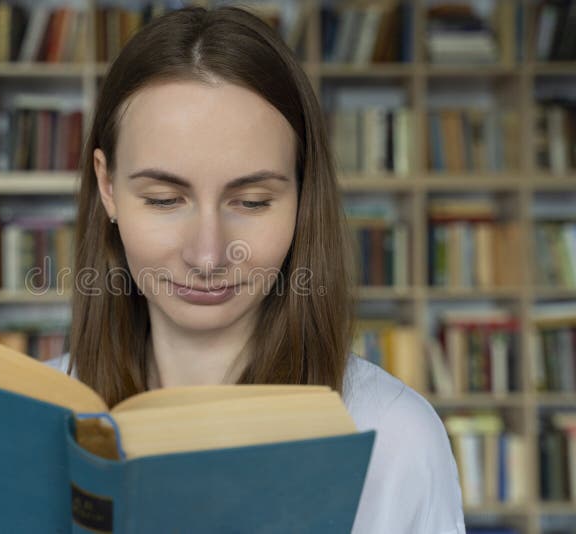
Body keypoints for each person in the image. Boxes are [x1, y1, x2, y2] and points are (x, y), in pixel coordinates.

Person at [46, 5, 466, 533]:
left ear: (302, 193)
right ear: (107, 186)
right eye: (163, 199)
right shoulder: (36, 419)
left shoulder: (394, 436)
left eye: (251, 202)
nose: (208, 256)